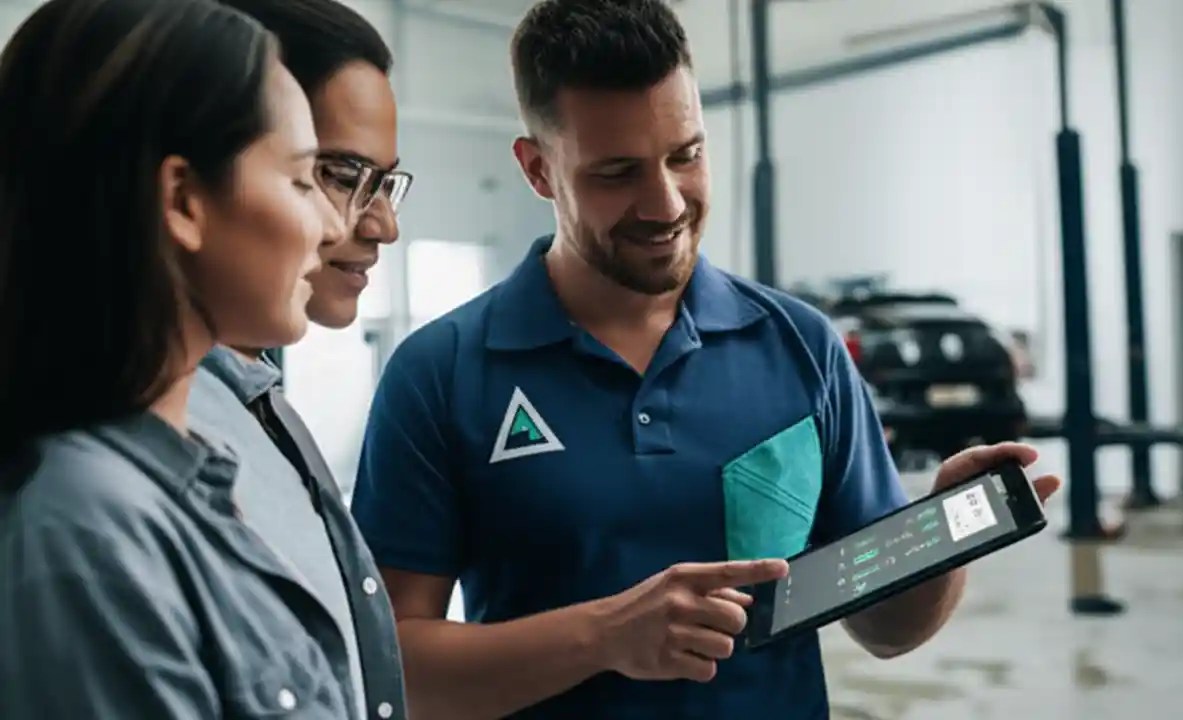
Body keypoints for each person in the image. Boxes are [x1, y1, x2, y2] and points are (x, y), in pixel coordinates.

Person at [351, 1, 1062, 719]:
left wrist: (942, 542)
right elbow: (391, 670)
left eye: (685, 154)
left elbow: (886, 631)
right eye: (618, 172)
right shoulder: (440, 374)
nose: (665, 204)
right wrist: (604, 638)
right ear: (538, 169)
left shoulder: (802, 348)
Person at [0, 0, 350, 716]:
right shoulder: (90, 528)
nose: (333, 223)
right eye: (301, 179)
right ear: (183, 199)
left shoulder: (179, 479)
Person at [184, 0, 412, 717]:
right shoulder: (143, 447)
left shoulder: (258, 397)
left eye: (384, 183)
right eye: (338, 175)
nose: (377, 224)